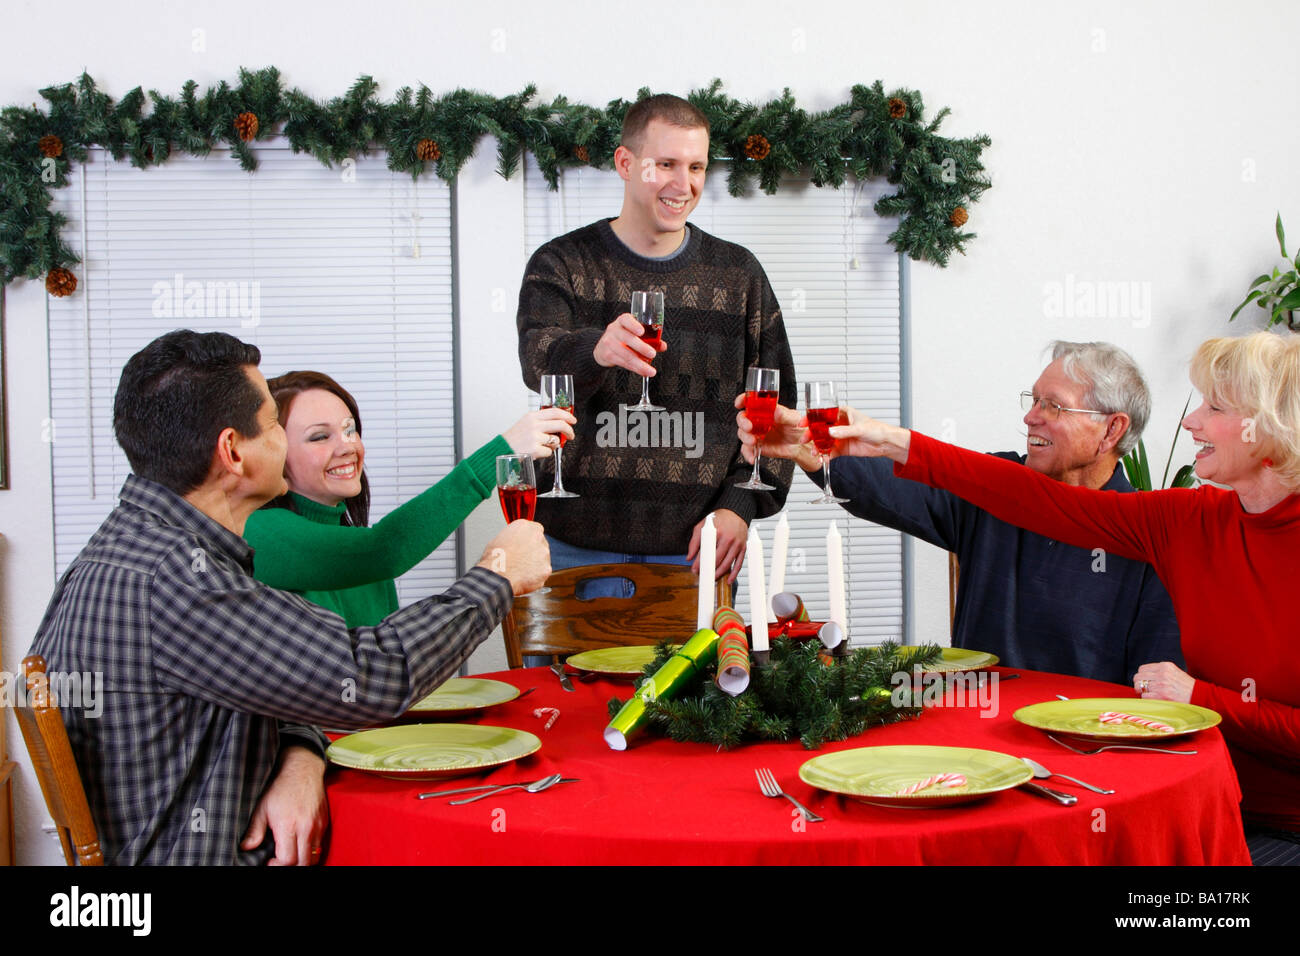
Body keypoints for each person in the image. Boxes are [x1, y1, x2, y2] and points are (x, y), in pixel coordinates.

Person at [766, 331, 1298, 863]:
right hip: (1194, 790)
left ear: (1272, 425)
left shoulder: (1173, 531)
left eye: (1216, 406)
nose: (1191, 420)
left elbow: (1164, 709)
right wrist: (870, 443)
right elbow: (1021, 495)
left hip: (1254, 818)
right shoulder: (1186, 520)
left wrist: (1201, 698)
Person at [28, 330, 550, 865]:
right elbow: (369, 675)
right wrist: (498, 575)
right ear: (233, 451)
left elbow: (278, 679)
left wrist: (300, 754)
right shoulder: (180, 580)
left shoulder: (127, 547)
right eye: (276, 425)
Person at [738, 341, 1182, 684]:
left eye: (1054, 406)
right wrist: (811, 453)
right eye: (1033, 400)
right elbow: (894, 488)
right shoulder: (997, 485)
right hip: (978, 734)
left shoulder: (1149, 538)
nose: (1031, 418)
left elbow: (1149, 695)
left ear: (1112, 429)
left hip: (1081, 751)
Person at [516, 92, 795, 591]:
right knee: (562, 675)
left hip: (696, 553)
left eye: (696, 167)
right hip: (572, 548)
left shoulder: (739, 275)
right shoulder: (561, 263)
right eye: (664, 163)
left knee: (700, 674)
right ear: (625, 163)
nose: (682, 184)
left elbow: (778, 412)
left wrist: (740, 506)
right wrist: (596, 349)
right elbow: (539, 361)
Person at [243, 370, 573, 626]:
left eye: (349, 429)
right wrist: (501, 451)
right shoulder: (256, 532)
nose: (347, 446)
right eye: (319, 436)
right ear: (276, 453)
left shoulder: (354, 544)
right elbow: (386, 550)